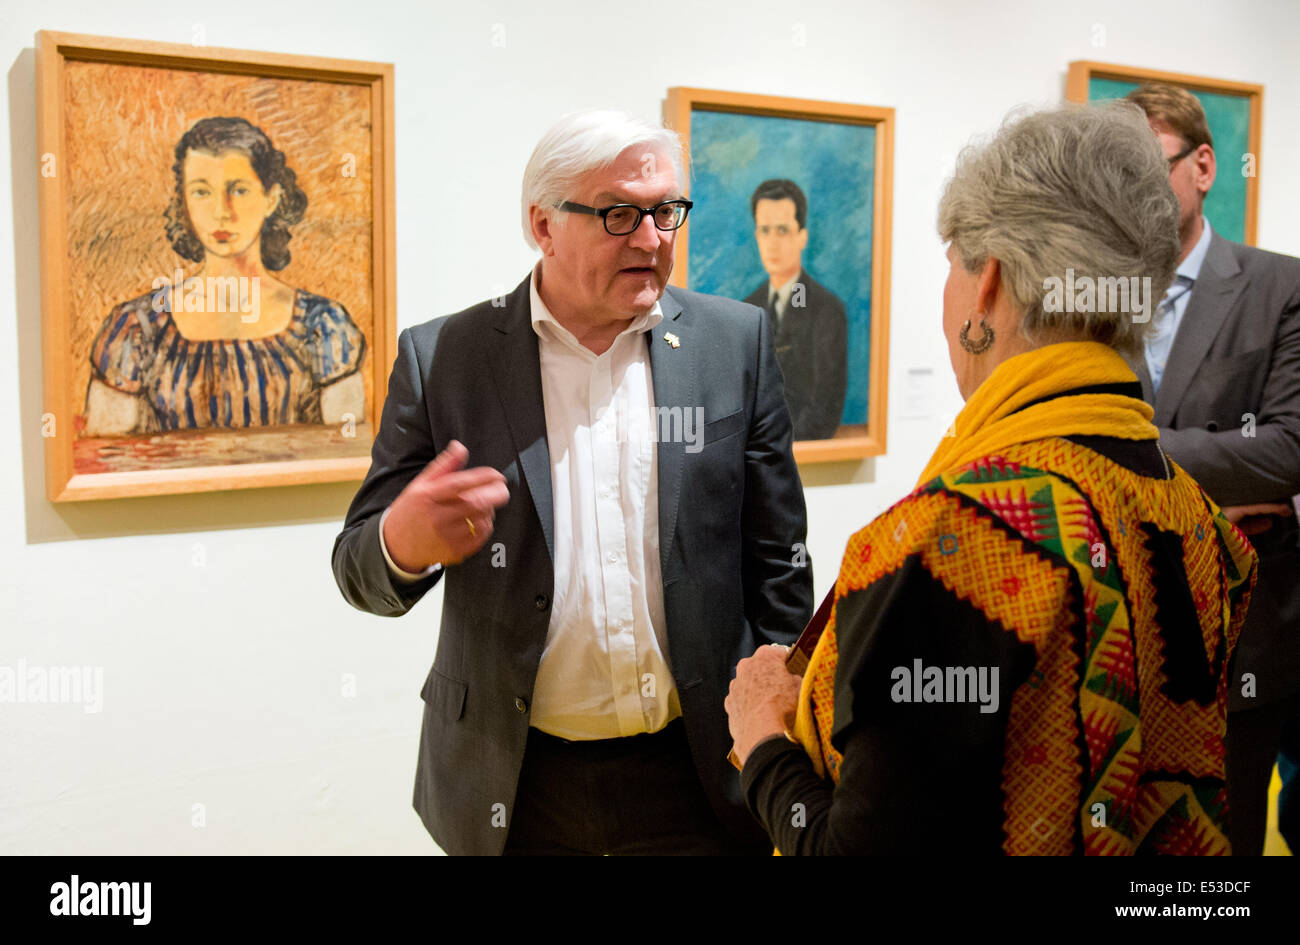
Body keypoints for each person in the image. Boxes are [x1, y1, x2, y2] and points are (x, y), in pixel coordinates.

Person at [725, 102, 1258, 855]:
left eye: (952, 263)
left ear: (988, 284)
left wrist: (762, 739)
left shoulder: (961, 537)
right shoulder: (1194, 514)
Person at [331, 110, 813, 855]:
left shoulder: (733, 343)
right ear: (543, 225)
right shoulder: (447, 359)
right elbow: (359, 568)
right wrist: (402, 540)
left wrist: (778, 721)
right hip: (517, 784)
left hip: (701, 775)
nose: (652, 239)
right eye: (620, 213)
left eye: (667, 212)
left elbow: (778, 558)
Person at [1123, 83, 1300, 856]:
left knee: (1225, 855)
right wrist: (1213, 483)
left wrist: (1134, 460)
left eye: (1151, 170)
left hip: (1243, 636)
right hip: (1118, 631)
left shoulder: (1279, 286)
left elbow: (1288, 451)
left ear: (1203, 165)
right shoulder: (1097, 297)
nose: (1138, 198)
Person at [84, 116, 365, 435]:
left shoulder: (323, 325)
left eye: (239, 190)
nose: (221, 210)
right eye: (202, 192)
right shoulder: (137, 328)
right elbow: (107, 456)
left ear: (271, 199)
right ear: (185, 203)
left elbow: (349, 450)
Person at [743, 179, 847, 441]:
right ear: (756, 236)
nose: (772, 244)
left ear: (802, 237)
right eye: (765, 231)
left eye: (783, 231)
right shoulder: (747, 308)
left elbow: (825, 405)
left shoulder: (827, 310)